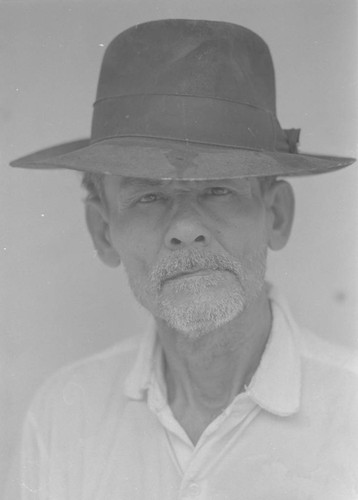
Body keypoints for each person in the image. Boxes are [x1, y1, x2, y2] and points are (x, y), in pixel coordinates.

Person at [10, 19, 358, 499]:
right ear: (102, 232)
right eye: (148, 198)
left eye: (218, 190)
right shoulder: (65, 414)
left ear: (275, 216)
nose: (186, 228)